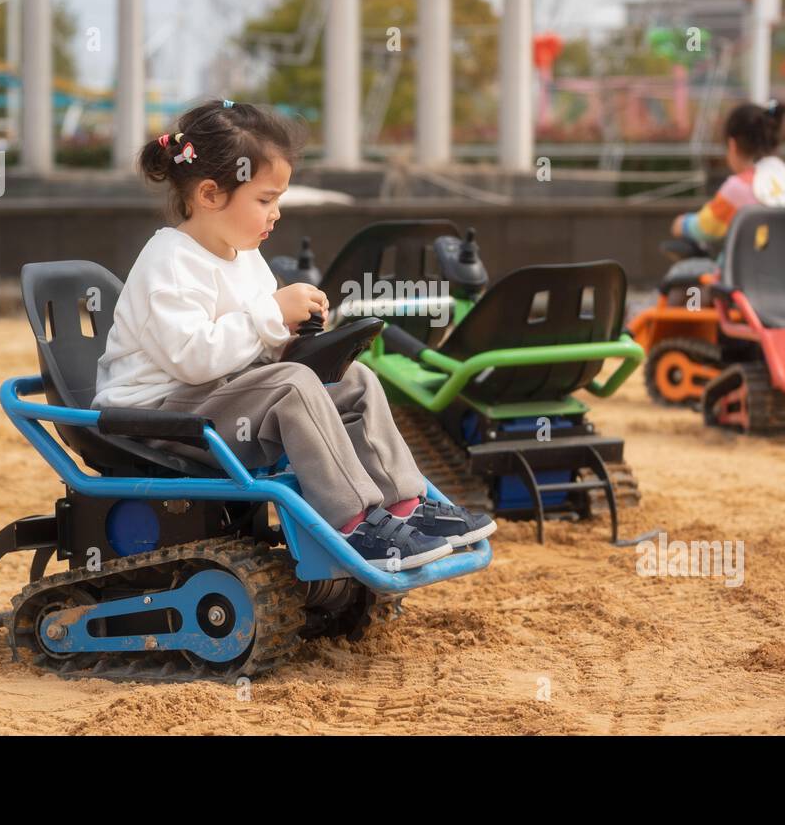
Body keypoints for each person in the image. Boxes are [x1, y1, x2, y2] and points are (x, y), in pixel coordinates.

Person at [93, 99, 496, 570]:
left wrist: (302, 340)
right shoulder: (169, 263)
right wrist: (272, 316)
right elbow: (194, 358)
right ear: (208, 195)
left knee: (355, 380)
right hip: (156, 418)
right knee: (293, 387)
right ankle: (351, 522)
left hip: (216, 402)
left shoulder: (243, 256)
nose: (276, 213)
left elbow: (256, 349)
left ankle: (404, 504)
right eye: (265, 199)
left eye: (278, 199)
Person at [672, 100, 785, 250]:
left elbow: (705, 227)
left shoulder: (736, 187)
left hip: (750, 270)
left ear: (732, 145)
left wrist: (681, 223)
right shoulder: (781, 174)